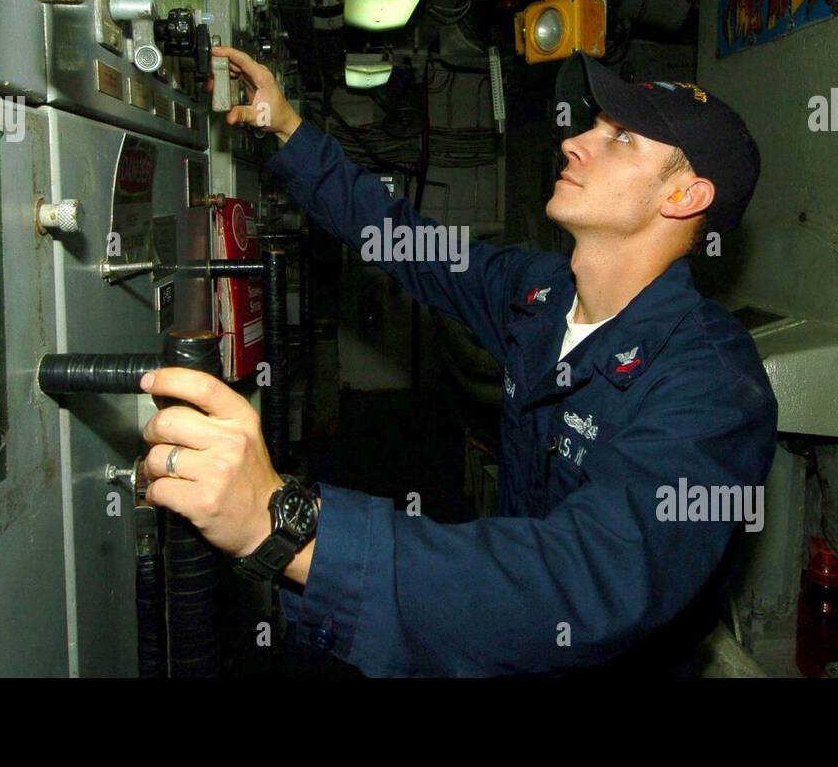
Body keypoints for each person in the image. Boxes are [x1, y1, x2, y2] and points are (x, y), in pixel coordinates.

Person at [138, 45, 778, 676]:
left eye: (623, 140)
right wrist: (290, 129)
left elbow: (587, 580)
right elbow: (409, 244)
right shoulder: (544, 293)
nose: (575, 142)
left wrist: (290, 529)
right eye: (595, 126)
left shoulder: (713, 386)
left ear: (686, 198)